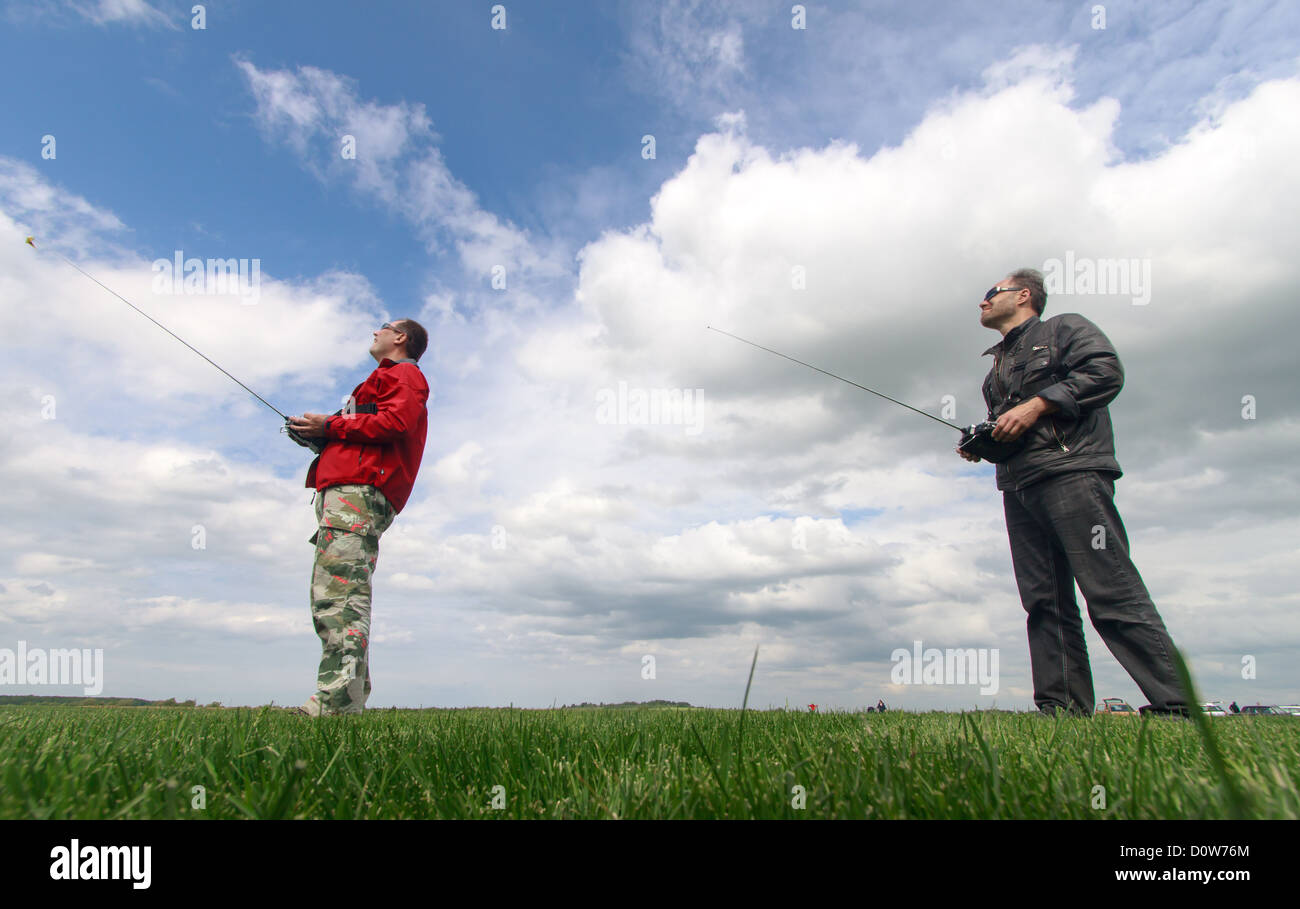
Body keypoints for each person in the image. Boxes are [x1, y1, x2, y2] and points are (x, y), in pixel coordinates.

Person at [959, 269, 1189, 717]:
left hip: (1073, 473)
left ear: (1024, 295)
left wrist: (1038, 403)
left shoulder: (1065, 328)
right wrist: (984, 444)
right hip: (1018, 485)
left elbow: (1105, 373)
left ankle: (1177, 705)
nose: (982, 302)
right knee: (1044, 602)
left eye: (990, 294)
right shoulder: (995, 369)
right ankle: (1062, 709)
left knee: (1110, 589)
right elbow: (1018, 427)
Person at [287, 319, 430, 716]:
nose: (375, 331)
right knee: (334, 596)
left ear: (401, 338)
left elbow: (396, 423)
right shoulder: (377, 381)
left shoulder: (405, 374)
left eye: (383, 327)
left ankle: (334, 704)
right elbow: (362, 427)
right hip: (345, 493)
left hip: (358, 494)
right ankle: (345, 699)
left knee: (342, 597)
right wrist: (319, 434)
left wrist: (329, 425)